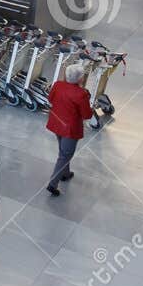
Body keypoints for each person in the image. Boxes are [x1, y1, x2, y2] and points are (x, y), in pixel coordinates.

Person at [44, 63, 94, 196]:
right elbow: (87, 115)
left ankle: (65, 173)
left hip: (56, 123)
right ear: (80, 79)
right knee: (65, 154)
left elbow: (50, 99)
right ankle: (52, 183)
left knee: (63, 150)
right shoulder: (81, 94)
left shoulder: (57, 85)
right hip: (70, 129)